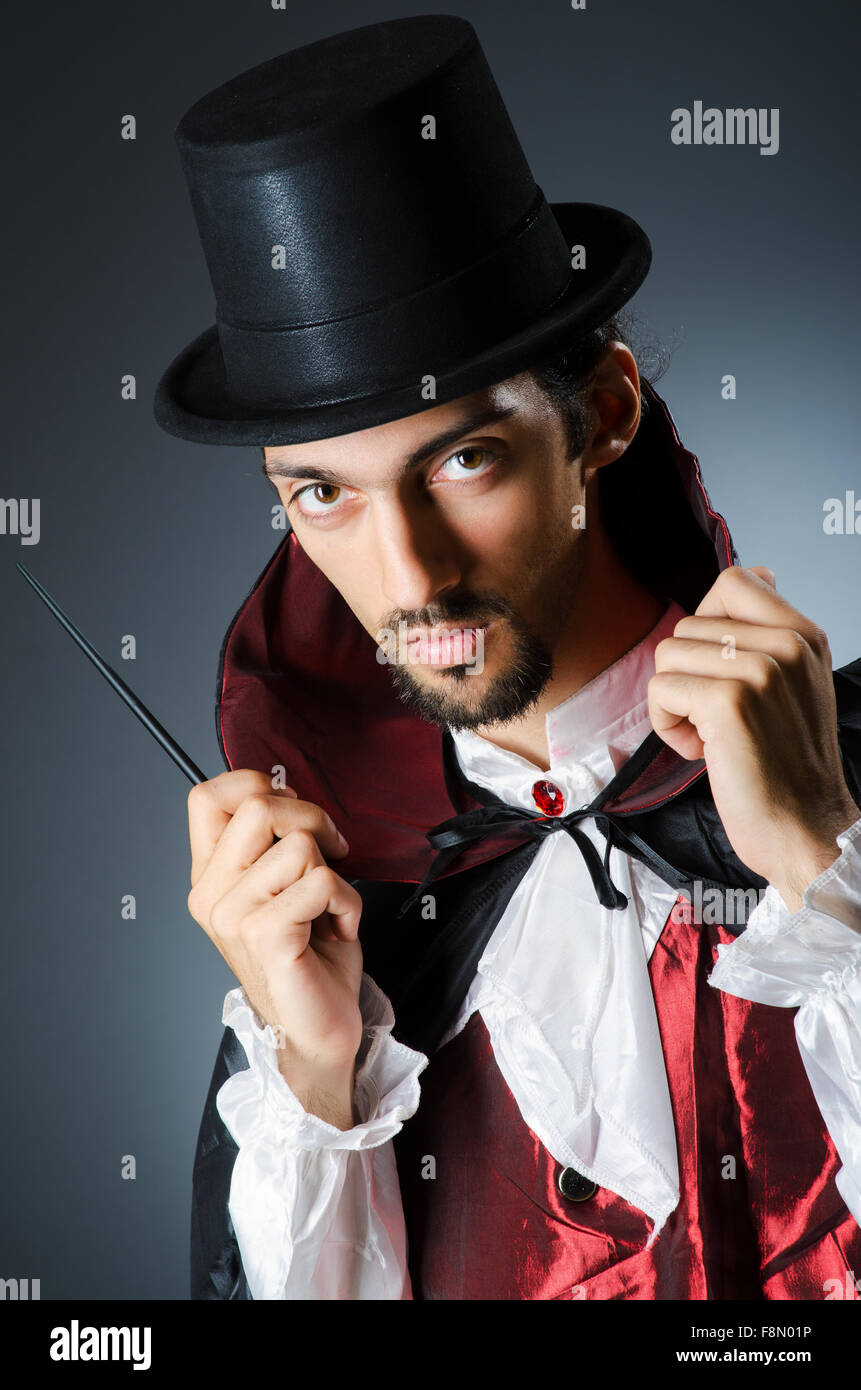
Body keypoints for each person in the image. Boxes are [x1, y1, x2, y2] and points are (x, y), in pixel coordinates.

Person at [153, 16, 861, 1299]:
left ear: (604, 415)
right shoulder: (344, 942)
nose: (410, 577)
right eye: (324, 495)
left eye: (462, 460)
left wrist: (831, 874)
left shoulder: (845, 797)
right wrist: (317, 1079)